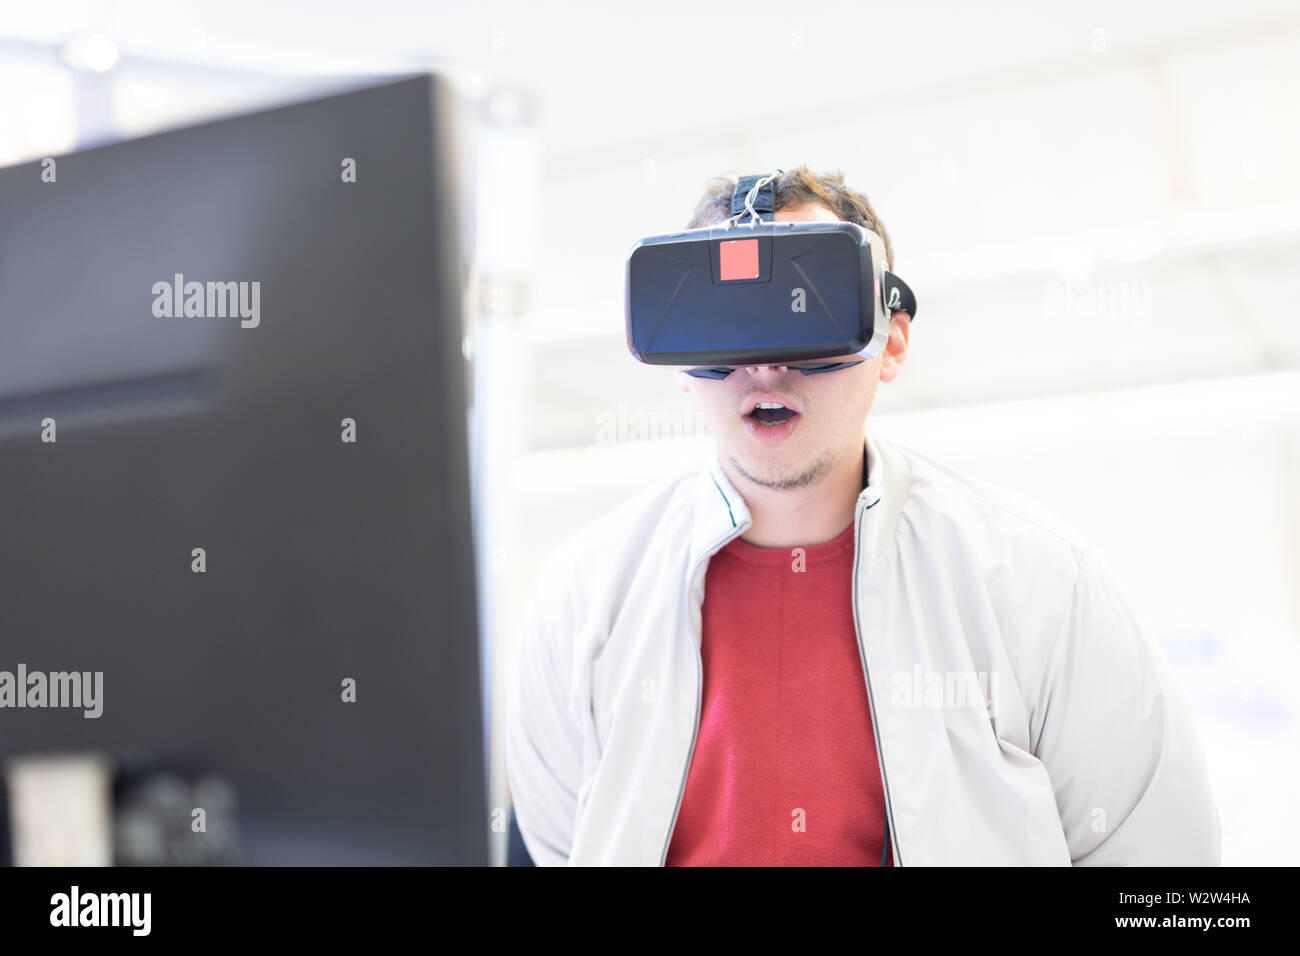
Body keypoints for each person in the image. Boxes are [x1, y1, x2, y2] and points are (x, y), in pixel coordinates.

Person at [505, 165, 1221, 866]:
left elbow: (1160, 853)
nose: (766, 367)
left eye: (808, 312)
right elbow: (559, 842)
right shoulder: (585, 596)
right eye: (730, 327)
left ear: (892, 340)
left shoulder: (1037, 583)